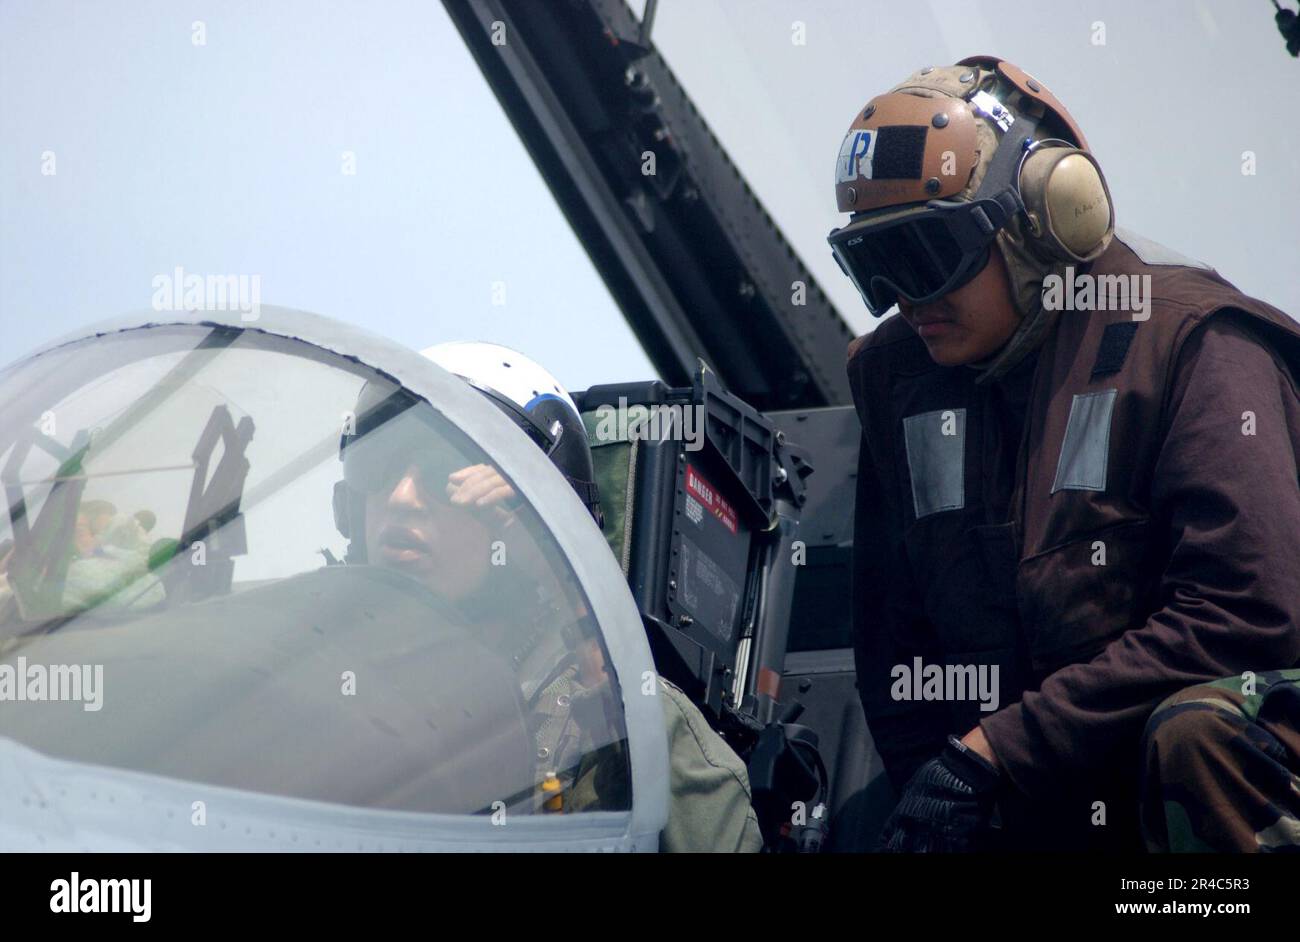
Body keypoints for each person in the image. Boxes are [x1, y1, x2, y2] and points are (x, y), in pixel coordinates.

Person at [828, 56, 1300, 851]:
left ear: (1047, 215)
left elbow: (1251, 615)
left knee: (1199, 737)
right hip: (1057, 793)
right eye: (875, 268)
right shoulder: (899, 380)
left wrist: (996, 754)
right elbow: (898, 664)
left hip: (1241, 754)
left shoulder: (1191, 343)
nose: (907, 299)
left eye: (927, 256)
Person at [334, 341, 761, 852]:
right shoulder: (307, 683)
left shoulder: (628, 727)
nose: (402, 498)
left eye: (440, 467)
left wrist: (560, 571)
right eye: (379, 462)